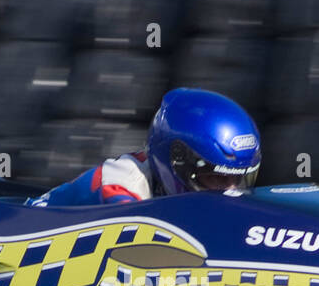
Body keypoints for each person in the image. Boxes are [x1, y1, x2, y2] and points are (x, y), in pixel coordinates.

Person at [28, 87, 261, 207]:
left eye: (239, 179)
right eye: (216, 178)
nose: (231, 190)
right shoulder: (121, 185)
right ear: (176, 162)